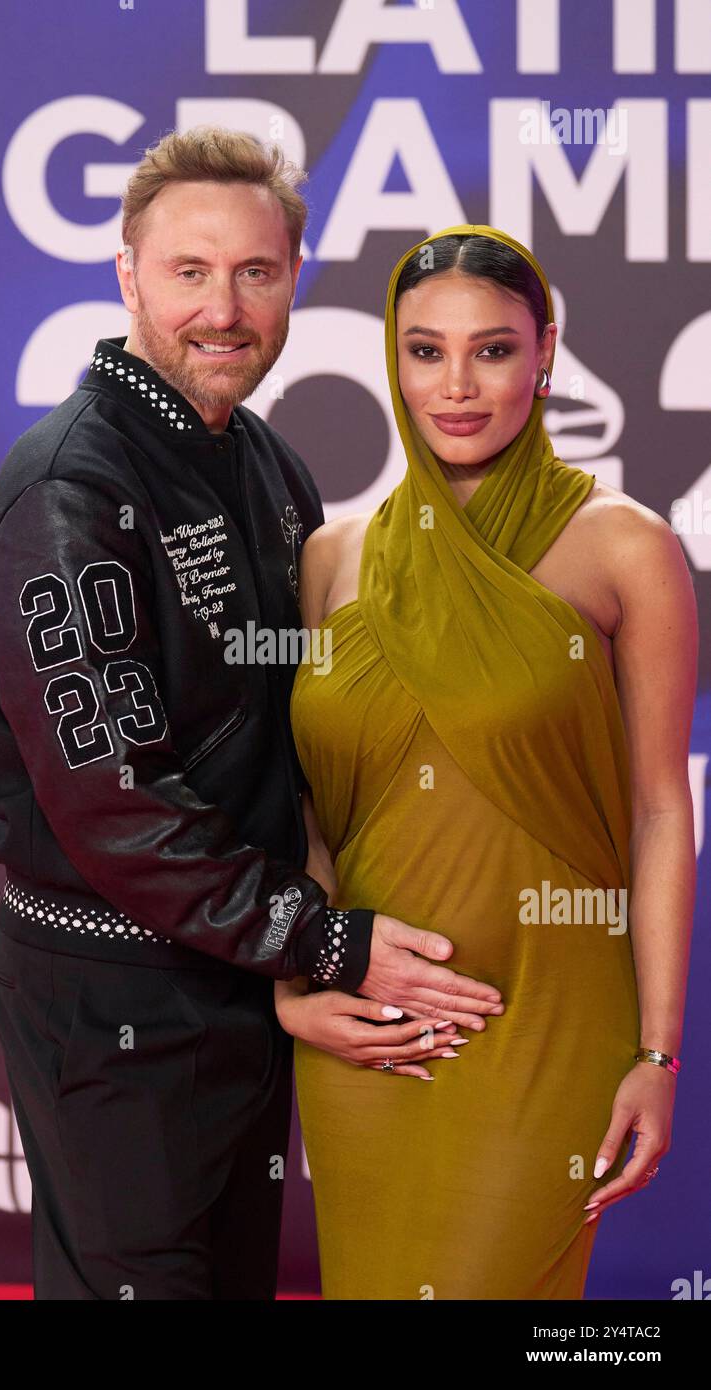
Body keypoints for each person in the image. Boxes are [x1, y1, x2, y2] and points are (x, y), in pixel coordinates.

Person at [0, 133, 502, 1300]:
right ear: (128, 278)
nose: (223, 307)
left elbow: (298, 740)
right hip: (113, 1003)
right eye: (189, 271)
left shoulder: (263, 464)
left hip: (240, 985)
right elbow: (112, 804)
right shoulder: (72, 490)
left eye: (255, 271)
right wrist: (317, 938)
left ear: (294, 277)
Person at [278, 225, 697, 1300]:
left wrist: (655, 1055)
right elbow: (314, 820)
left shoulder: (624, 547)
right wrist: (297, 988)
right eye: (425, 351)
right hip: (366, 1038)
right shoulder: (332, 558)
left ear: (544, 352)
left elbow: (660, 811)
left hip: (546, 1030)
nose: (455, 384)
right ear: (391, 358)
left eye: (492, 349)